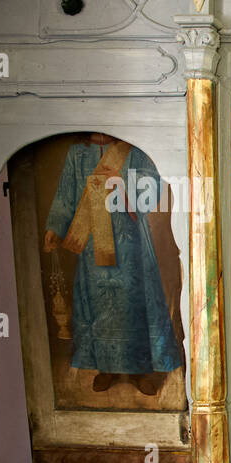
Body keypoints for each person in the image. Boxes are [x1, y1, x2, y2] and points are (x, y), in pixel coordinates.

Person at [41, 133, 183, 395]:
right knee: (100, 305)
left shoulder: (134, 150)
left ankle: (142, 370)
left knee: (134, 305)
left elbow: (152, 189)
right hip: (93, 248)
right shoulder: (77, 154)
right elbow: (65, 195)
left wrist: (120, 184)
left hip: (131, 246)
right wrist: (55, 228)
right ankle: (106, 368)